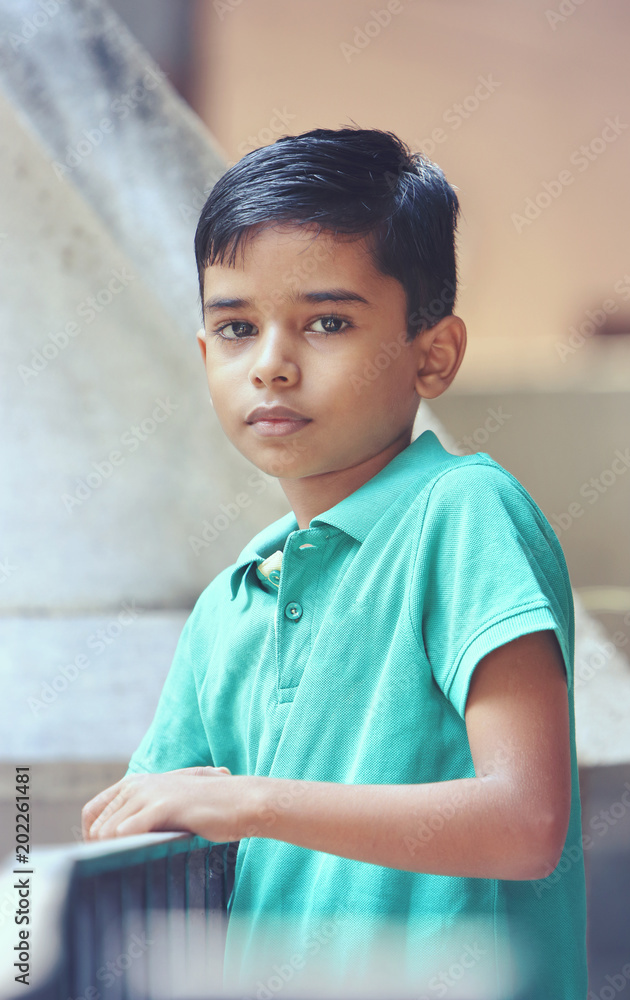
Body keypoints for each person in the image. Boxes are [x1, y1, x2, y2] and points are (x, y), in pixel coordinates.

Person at [82, 126, 587, 999]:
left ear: (432, 353)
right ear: (207, 358)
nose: (271, 365)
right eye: (235, 328)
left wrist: (252, 801)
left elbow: (524, 822)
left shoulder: (462, 514)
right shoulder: (232, 601)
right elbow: (141, 829)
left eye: (326, 322)